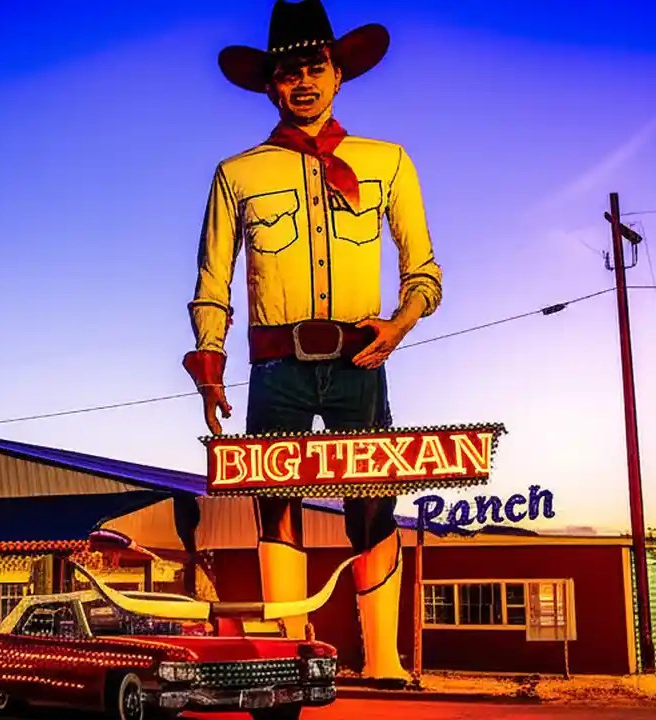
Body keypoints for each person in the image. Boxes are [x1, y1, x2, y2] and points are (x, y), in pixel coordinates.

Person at [182, 0, 442, 686]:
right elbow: (213, 280)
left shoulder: (385, 162)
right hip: (275, 365)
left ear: (337, 74)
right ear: (269, 83)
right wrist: (209, 369)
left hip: (361, 359)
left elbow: (424, 268)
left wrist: (401, 322)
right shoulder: (238, 173)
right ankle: (290, 653)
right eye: (288, 71)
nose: (303, 82)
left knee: (373, 500)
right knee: (277, 499)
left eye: (315, 67)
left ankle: (382, 658)